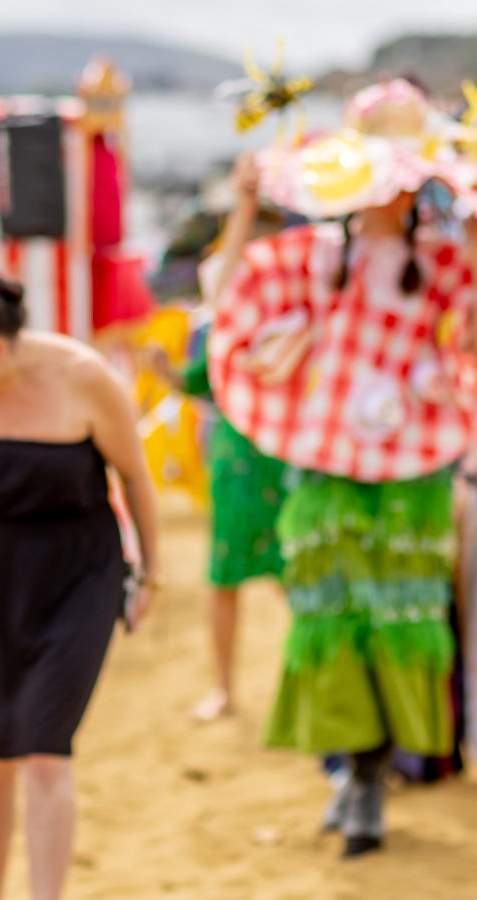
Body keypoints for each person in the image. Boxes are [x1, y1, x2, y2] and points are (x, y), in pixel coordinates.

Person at [208, 79, 477, 856]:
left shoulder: (446, 260)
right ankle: (349, 771)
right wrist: (240, 208)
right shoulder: (314, 255)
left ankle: (367, 778)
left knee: (400, 622)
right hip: (330, 468)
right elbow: (226, 298)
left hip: (414, 474)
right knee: (331, 620)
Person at [0, 269, 160, 900]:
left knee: (46, 746)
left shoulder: (86, 378)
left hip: (80, 572)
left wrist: (152, 569)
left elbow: (135, 477)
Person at [156, 155, 289, 721]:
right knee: (232, 572)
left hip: (278, 448)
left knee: (289, 572)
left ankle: (257, 687)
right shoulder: (228, 307)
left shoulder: (293, 298)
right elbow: (202, 381)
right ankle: (226, 689)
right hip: (245, 451)